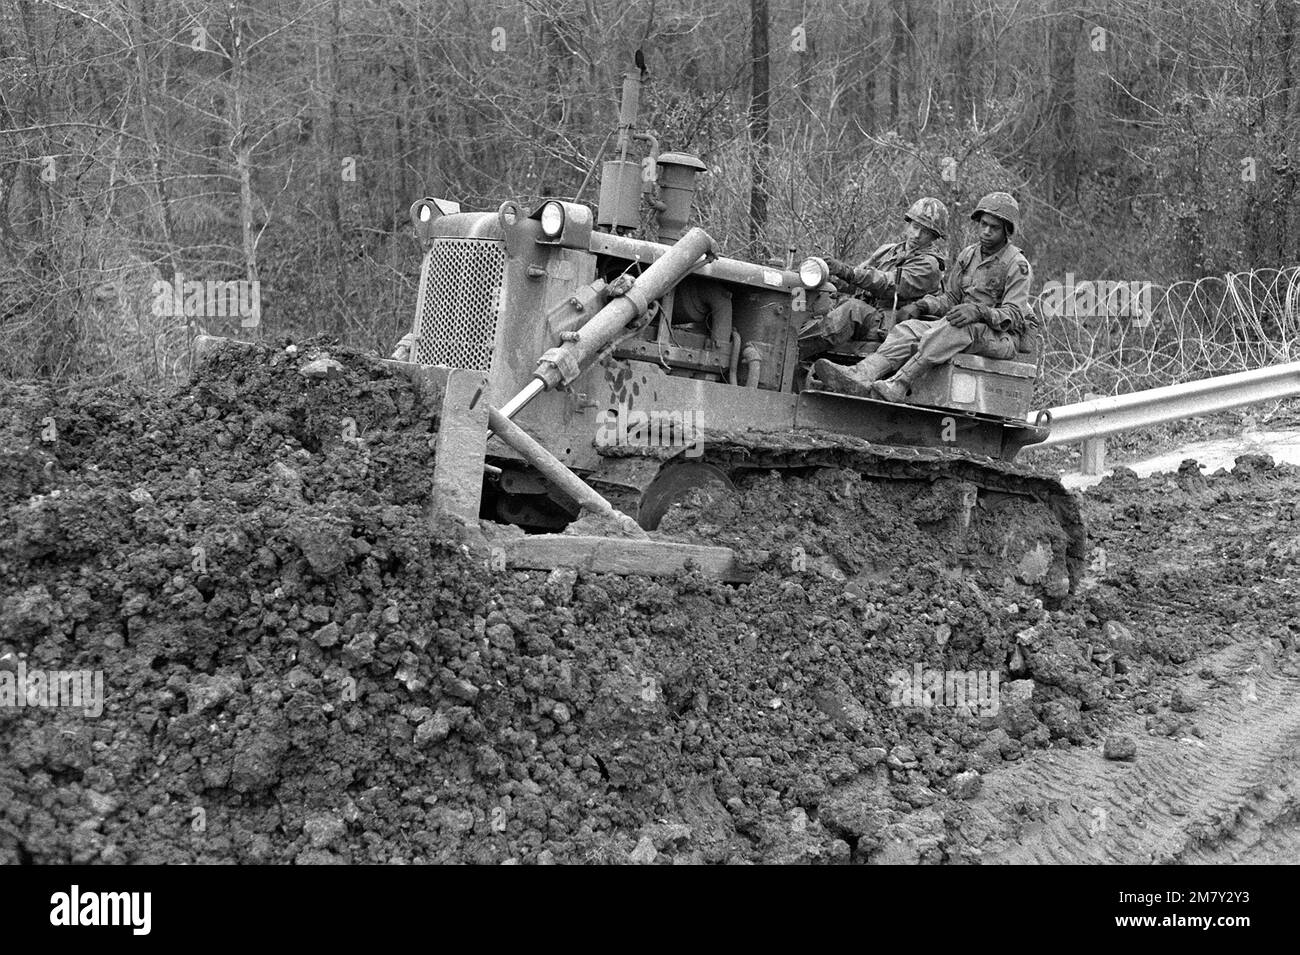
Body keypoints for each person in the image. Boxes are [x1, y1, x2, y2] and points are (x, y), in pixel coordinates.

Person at [812, 191, 1035, 403]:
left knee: (955, 329)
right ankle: (861, 374)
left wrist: (979, 311)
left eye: (994, 227)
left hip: (1000, 337)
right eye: (983, 224)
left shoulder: (1017, 265)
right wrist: (922, 305)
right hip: (959, 323)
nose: (986, 231)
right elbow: (951, 299)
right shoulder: (969, 255)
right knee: (908, 328)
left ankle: (899, 383)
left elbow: (1014, 315)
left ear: (1007, 230)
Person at [798, 197, 948, 361]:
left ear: (934, 237)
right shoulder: (891, 251)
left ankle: (792, 350)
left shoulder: (929, 264)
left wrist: (847, 271)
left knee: (853, 310)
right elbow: (860, 284)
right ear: (908, 224)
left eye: (925, 232)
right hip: (872, 315)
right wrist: (829, 278)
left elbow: (887, 284)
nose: (917, 235)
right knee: (815, 297)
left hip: (893, 325)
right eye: (915, 227)